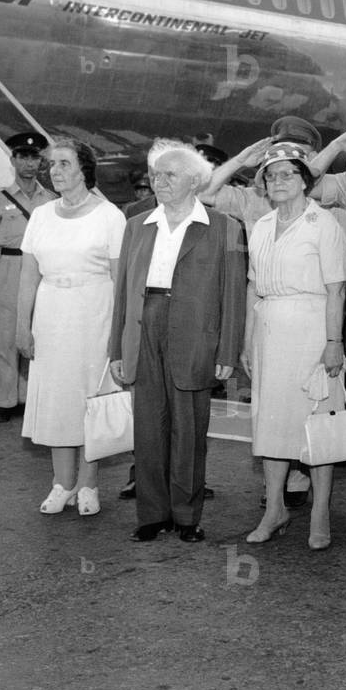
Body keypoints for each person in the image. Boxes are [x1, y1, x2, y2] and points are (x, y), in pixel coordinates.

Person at [110, 146, 245, 543]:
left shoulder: (224, 226)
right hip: (144, 324)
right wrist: (116, 349)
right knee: (148, 427)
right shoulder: (136, 225)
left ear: (194, 181)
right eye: (156, 174)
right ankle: (152, 515)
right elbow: (122, 293)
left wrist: (227, 351)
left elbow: (233, 294)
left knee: (189, 428)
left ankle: (187, 516)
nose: (159, 181)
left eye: (170, 174)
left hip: (194, 332)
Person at [241, 143, 346, 549]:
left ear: (305, 180)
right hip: (269, 332)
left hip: (312, 331)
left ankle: (320, 513)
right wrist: (247, 341)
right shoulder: (261, 225)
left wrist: (334, 342)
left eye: (288, 173)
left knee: (315, 422)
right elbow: (253, 286)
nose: (278, 181)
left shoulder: (324, 223)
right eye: (271, 175)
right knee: (271, 424)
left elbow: (336, 290)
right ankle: (275, 510)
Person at [15, 139, 126, 516]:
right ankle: (62, 484)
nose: (55, 171)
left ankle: (88, 484)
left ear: (84, 169)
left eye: (64, 163)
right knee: (57, 401)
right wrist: (23, 325)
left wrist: (119, 334)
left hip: (94, 316)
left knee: (89, 401)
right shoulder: (41, 216)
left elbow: (120, 280)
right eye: (52, 165)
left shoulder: (109, 216)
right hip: (51, 316)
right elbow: (28, 275)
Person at [0, 132, 56, 423]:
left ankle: (29, 399)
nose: (29, 164)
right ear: (13, 160)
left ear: (40, 162)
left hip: (41, 269)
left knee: (36, 334)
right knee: (8, 336)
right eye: (23, 157)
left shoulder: (51, 200)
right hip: (10, 267)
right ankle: (6, 401)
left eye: (34, 158)